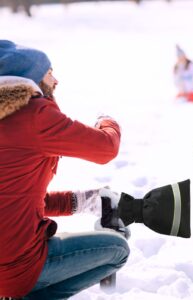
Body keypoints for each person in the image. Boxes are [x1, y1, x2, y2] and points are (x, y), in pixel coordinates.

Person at [0, 40, 130, 299]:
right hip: (12, 269)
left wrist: (79, 201)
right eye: (49, 72)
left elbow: (13, 199)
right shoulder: (33, 116)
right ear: (29, 78)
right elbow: (106, 148)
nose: (55, 79)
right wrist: (107, 120)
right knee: (117, 250)